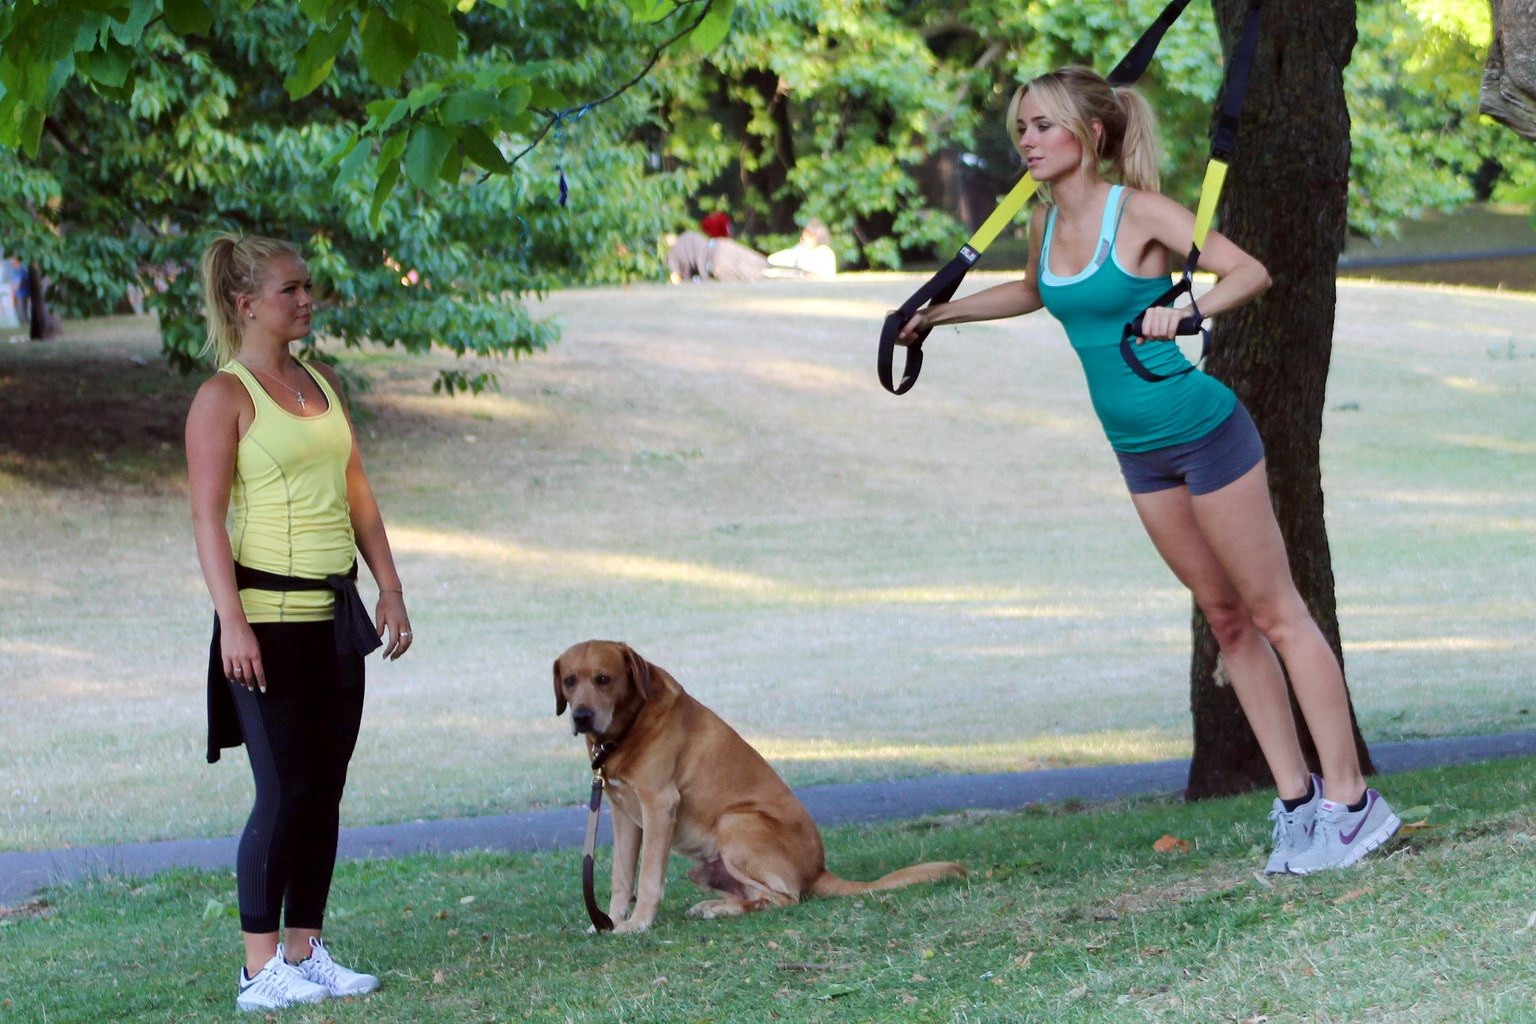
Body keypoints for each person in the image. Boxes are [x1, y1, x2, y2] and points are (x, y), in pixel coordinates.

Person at [896, 66, 1399, 875]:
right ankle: (1299, 805)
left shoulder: (1142, 213)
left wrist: (1190, 309)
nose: (1027, 140)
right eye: (1021, 127)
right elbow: (1035, 293)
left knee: (1276, 612)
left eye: (1043, 126)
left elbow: (1249, 271)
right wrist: (940, 314)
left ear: (1090, 135)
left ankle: (1352, 804)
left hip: (1205, 433)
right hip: (1139, 453)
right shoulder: (1045, 222)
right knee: (1224, 618)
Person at [185, 234, 414, 1011]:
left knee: (325, 787)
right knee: (282, 791)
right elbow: (208, 521)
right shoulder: (224, 397)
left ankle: (303, 950)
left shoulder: (319, 385)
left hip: (334, 618)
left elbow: (359, 497)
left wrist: (390, 587)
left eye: (306, 287)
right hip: (264, 621)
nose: (307, 299)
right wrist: (233, 624)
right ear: (248, 303)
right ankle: (257, 972)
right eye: (291, 290)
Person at [765, 219, 837, 280]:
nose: (803, 239)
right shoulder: (802, 248)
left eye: (808, 236)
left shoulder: (824, 252)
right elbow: (784, 256)